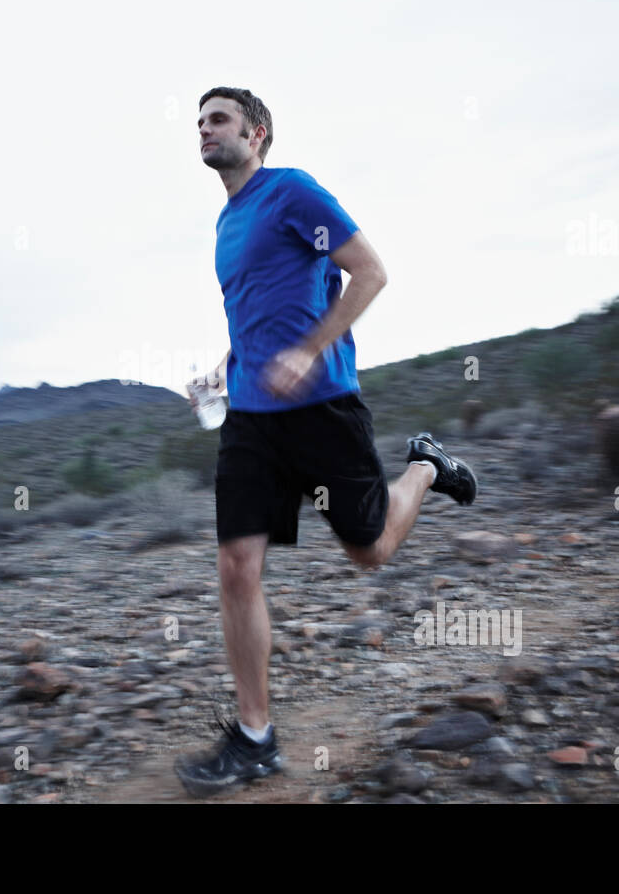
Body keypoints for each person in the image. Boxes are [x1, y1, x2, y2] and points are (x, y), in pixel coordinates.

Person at [175, 86, 479, 798]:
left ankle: (425, 468)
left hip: (322, 408)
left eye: (217, 119)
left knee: (368, 551)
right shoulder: (226, 222)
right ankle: (255, 737)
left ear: (258, 133)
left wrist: (312, 350)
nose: (203, 130)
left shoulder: (294, 194)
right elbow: (257, 306)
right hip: (250, 417)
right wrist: (225, 364)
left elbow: (370, 271)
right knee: (236, 567)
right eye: (197, 123)